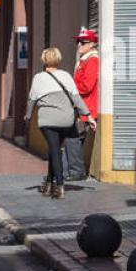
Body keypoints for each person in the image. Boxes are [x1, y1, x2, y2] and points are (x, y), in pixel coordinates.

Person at [26, 47, 96, 200]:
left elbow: (32, 100)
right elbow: (77, 99)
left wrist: (28, 116)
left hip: (48, 121)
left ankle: (59, 186)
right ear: (58, 59)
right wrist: (88, 116)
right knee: (54, 150)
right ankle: (49, 184)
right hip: (66, 120)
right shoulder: (66, 75)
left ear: (44, 60)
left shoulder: (38, 77)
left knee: (55, 150)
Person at [64, 27, 100, 182]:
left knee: (73, 137)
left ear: (92, 44)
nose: (79, 45)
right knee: (71, 138)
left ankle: (77, 171)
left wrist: (71, 88)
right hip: (79, 106)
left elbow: (87, 85)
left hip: (86, 107)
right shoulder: (83, 61)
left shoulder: (92, 60)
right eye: (78, 42)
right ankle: (64, 171)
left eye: (83, 42)